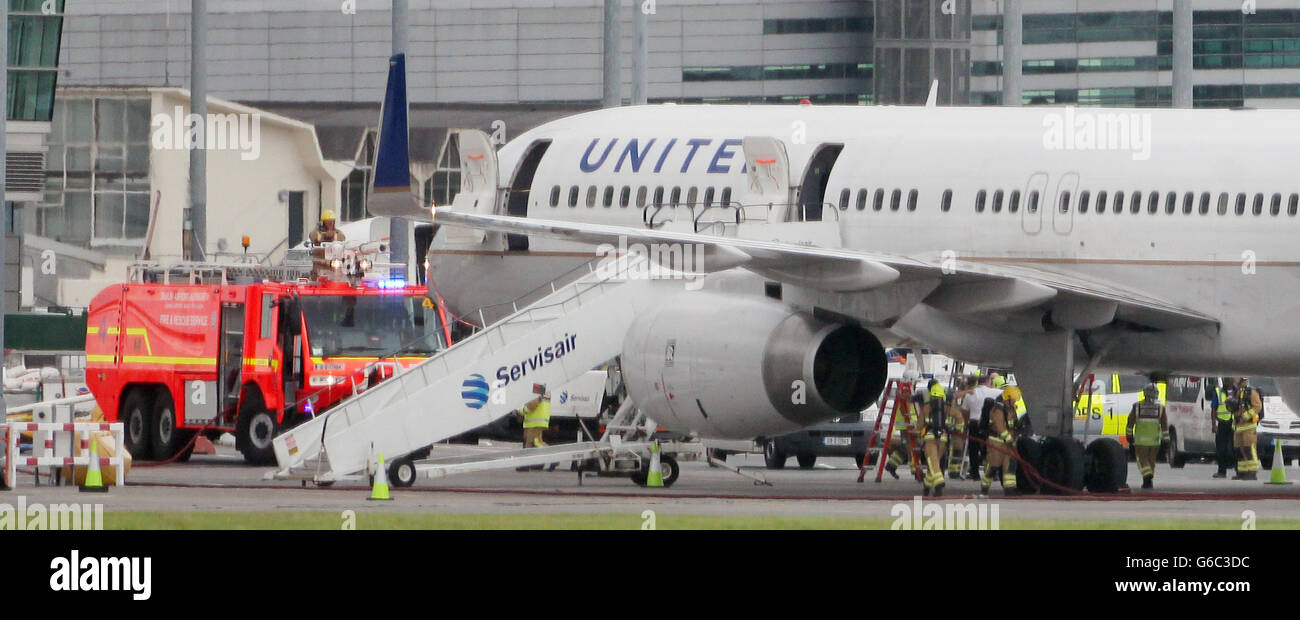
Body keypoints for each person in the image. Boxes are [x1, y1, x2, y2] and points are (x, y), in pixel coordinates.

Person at [1127, 383, 1169, 489]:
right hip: (1155, 442)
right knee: (1151, 461)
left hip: (1141, 441)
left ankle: (1147, 476)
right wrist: (1166, 440)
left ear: (1145, 393)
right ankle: (1148, 482)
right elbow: (1164, 425)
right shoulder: (1161, 408)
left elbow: (1130, 422)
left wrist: (1129, 435)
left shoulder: (1137, 406)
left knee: (1141, 460)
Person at [980, 386, 1021, 496]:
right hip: (996, 441)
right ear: (1007, 398)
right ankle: (984, 488)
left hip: (1009, 443)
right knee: (994, 465)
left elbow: (1012, 426)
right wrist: (1008, 438)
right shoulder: (998, 410)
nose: (1015, 401)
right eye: (1014, 399)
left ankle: (1010, 489)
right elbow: (999, 426)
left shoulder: (1011, 409)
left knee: (1010, 466)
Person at [516, 384, 553, 471]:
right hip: (539, 420)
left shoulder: (537, 384)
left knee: (530, 443)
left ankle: (525, 466)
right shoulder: (544, 385)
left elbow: (533, 404)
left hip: (536, 421)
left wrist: (521, 411)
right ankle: (554, 457)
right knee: (537, 443)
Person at [921, 379, 948, 496]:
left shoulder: (926, 407)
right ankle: (927, 486)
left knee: (933, 462)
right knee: (934, 461)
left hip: (930, 436)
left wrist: (918, 432)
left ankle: (939, 481)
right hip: (943, 437)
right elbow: (960, 420)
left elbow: (919, 425)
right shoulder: (948, 407)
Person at [947, 376, 977, 479]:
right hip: (958, 426)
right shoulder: (959, 395)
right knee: (957, 448)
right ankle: (953, 471)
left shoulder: (966, 395)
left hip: (963, 424)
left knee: (963, 449)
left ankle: (959, 470)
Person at [1230, 395, 1261, 480]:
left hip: (1248, 429)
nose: (1235, 381)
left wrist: (1245, 416)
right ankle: (1242, 472)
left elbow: (1258, 406)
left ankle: (1252, 472)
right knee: (1239, 451)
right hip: (1239, 429)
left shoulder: (1250, 392)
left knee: (1249, 450)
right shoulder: (1238, 392)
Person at [309, 210, 347, 278]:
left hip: (335, 264)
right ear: (323, 222)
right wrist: (325, 236)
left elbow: (343, 241)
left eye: (332, 221)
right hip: (320, 264)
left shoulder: (338, 233)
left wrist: (332, 236)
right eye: (328, 221)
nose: (331, 223)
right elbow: (313, 237)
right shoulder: (316, 232)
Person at [1209, 380, 1234, 478]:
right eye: (1224, 379)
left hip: (1234, 424)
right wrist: (1213, 425)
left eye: (1228, 379)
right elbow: (1213, 409)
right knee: (1221, 449)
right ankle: (1221, 471)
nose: (1226, 381)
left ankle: (1238, 471)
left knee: (1234, 449)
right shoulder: (1218, 392)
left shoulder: (1237, 392)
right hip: (1222, 424)